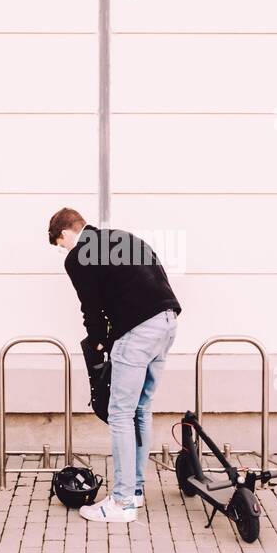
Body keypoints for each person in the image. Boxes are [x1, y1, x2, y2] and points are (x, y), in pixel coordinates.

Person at [49, 207, 181, 523]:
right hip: (167, 321)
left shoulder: (79, 253)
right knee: (141, 408)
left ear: (66, 234)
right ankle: (134, 490)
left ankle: (121, 503)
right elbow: (156, 276)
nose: (63, 251)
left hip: (138, 330)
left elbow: (91, 308)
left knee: (120, 412)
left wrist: (98, 342)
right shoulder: (123, 238)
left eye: (60, 244)